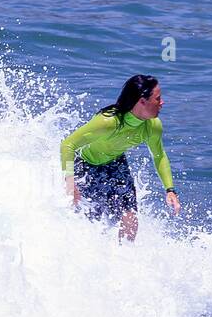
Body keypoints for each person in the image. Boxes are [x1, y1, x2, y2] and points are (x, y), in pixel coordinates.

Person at [60, 74, 181, 241]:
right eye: (157, 98)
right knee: (90, 222)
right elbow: (68, 145)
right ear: (142, 101)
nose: (162, 103)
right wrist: (70, 182)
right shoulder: (108, 121)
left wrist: (170, 190)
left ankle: (125, 258)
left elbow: (159, 155)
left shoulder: (153, 126)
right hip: (86, 167)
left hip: (116, 165)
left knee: (130, 218)